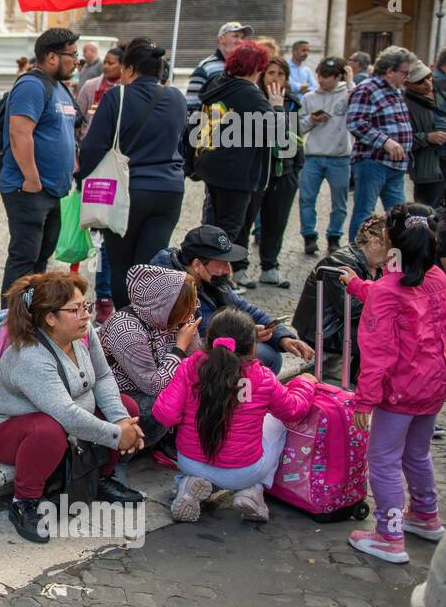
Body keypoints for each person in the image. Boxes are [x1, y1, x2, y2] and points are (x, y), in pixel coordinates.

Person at [0, 271, 145, 545]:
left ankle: (100, 478)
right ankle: (25, 501)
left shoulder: (83, 332)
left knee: (125, 405)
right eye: (75, 309)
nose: (86, 315)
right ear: (50, 318)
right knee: (48, 431)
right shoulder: (31, 356)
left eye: (86, 306)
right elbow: (66, 415)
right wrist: (118, 436)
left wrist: (121, 421)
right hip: (9, 432)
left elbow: (103, 377)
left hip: (64, 416)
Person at [338, 204, 446, 561]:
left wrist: (363, 401)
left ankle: (389, 534)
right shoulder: (438, 279)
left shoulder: (387, 290)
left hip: (398, 393)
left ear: (389, 240)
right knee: (417, 453)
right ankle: (426, 516)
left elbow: (377, 354)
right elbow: (399, 293)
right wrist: (359, 286)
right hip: (433, 387)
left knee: (383, 458)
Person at [153, 307, 318, 524]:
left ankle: (188, 484)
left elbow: (164, 414)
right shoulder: (262, 377)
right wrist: (305, 384)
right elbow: (294, 410)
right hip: (243, 472)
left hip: (190, 461)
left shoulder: (190, 367)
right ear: (252, 346)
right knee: (278, 421)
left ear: (208, 340)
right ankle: (253, 490)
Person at [78, 39, 187, 307]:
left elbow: (93, 146)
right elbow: (185, 143)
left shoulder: (118, 96)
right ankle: (147, 327)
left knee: (122, 264)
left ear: (129, 69)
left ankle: (124, 327)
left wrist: (82, 180)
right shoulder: (176, 98)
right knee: (149, 267)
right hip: (169, 191)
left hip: (128, 191)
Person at [152, 225, 315, 373]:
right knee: (268, 357)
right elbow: (193, 343)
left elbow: (245, 308)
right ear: (197, 264)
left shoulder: (211, 278)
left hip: (216, 346)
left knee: (270, 354)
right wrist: (244, 336)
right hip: (181, 362)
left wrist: (283, 337)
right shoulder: (173, 289)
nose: (227, 270)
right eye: (222, 263)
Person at [0, 28, 79, 305]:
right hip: (29, 190)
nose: (76, 61)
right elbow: (19, 133)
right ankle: (9, 325)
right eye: (72, 55)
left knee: (40, 261)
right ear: (52, 57)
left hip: (53, 191)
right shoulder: (32, 85)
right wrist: (32, 178)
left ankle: (29, 316)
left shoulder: (60, 88)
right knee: (24, 259)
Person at [190, 40, 283, 281]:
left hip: (213, 164)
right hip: (237, 170)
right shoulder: (248, 92)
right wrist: (278, 108)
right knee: (228, 230)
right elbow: (275, 131)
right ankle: (216, 280)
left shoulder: (218, 84)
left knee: (213, 224)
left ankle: (202, 273)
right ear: (256, 68)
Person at [100, 265, 201, 455]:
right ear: (164, 305)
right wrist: (179, 348)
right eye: (186, 308)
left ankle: (169, 442)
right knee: (159, 409)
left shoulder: (172, 318)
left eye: (193, 305)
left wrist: (191, 337)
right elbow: (153, 386)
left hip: (158, 384)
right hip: (124, 393)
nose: (191, 313)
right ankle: (123, 456)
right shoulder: (127, 328)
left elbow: (194, 363)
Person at [292, 214, 387, 374]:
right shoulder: (339, 263)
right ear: (375, 243)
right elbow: (350, 309)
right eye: (390, 251)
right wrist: (385, 302)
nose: (391, 257)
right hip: (327, 329)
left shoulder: (376, 264)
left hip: (342, 325)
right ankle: (366, 384)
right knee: (382, 338)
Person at [346, 46, 413, 242]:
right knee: (364, 214)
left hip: (397, 165)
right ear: (390, 71)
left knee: (399, 216)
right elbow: (355, 122)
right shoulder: (367, 89)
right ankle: (356, 257)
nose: (406, 77)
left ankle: (395, 260)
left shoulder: (397, 91)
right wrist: (385, 141)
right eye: (404, 72)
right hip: (372, 162)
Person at [255, 56, 305, 288]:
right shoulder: (255, 100)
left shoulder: (293, 102)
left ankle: (270, 265)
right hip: (258, 170)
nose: (275, 79)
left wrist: (296, 169)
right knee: (247, 221)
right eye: (271, 73)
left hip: (284, 171)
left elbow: (294, 138)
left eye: (280, 74)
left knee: (276, 221)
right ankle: (239, 266)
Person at [299, 57, 354, 254]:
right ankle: (308, 236)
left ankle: (334, 236)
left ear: (338, 76)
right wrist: (312, 120)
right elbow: (298, 128)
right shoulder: (309, 98)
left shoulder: (348, 94)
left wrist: (350, 81)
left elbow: (358, 105)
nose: (322, 80)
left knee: (339, 201)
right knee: (307, 199)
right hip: (312, 155)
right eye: (320, 75)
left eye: (327, 76)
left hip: (340, 157)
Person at [404, 58, 446, 208]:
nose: (428, 83)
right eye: (420, 81)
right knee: (427, 214)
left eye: (429, 77)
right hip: (428, 169)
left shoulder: (441, 91)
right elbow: (401, 140)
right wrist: (428, 137)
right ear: (407, 84)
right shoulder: (404, 103)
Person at [184, 20, 252, 112]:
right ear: (221, 39)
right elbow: (191, 104)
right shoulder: (205, 67)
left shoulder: (245, 67)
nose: (240, 41)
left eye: (242, 37)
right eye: (235, 36)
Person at [74, 46, 123, 140]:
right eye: (104, 62)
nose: (105, 66)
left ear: (122, 65)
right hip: (87, 139)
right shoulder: (90, 85)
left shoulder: (126, 88)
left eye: (111, 63)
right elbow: (78, 114)